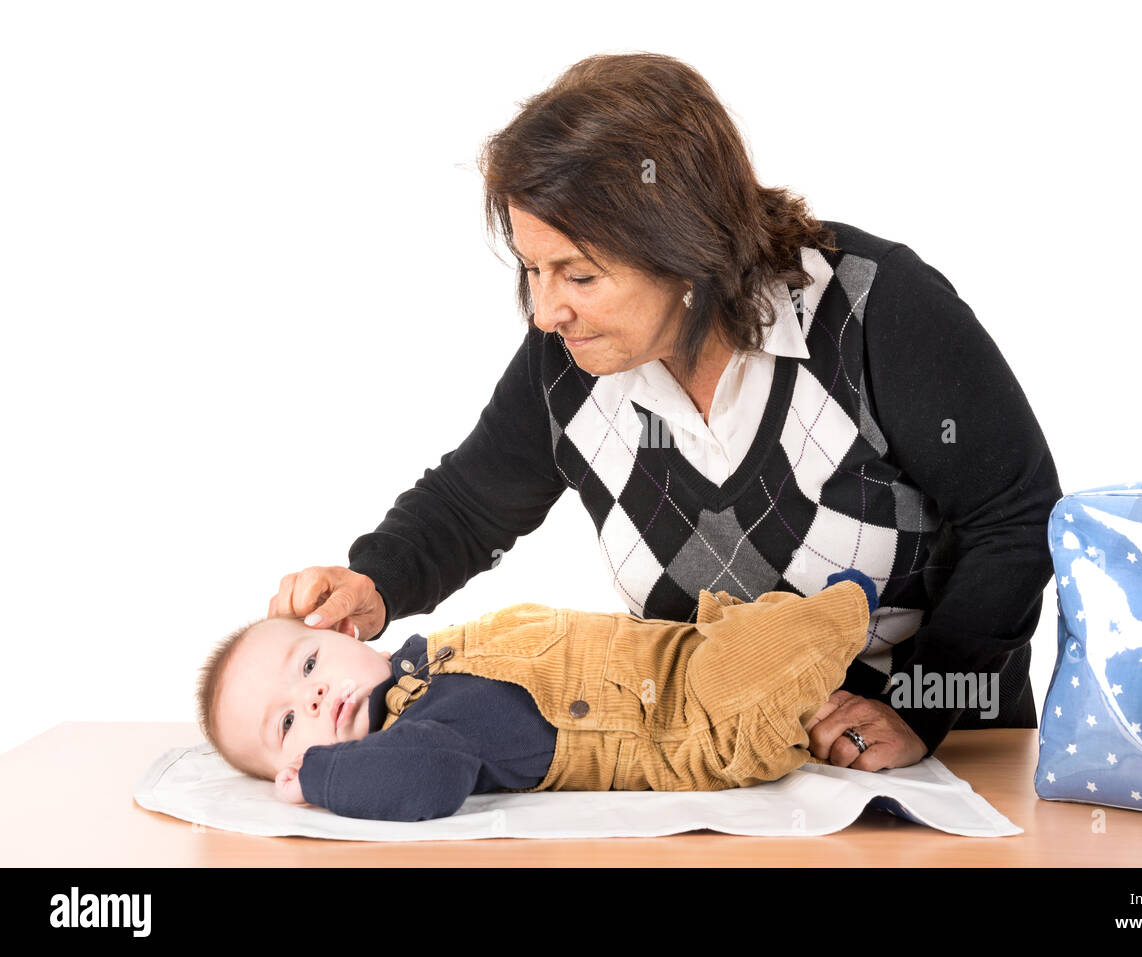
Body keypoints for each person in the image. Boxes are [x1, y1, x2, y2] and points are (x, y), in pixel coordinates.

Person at [267, 52, 1062, 772]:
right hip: (726, 775)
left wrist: (920, 709)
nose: (546, 311)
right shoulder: (572, 363)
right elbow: (471, 503)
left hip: (942, 766)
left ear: (683, 246)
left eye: (577, 274)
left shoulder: (873, 309)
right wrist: (373, 581)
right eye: (531, 269)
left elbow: (1016, 517)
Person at [198, 573, 878, 822]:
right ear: (285, 767)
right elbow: (427, 785)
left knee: (749, 624)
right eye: (287, 722)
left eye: (308, 661)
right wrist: (316, 779)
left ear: (349, 632)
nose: (314, 694)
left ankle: (815, 661)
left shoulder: (424, 662)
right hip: (690, 724)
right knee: (781, 645)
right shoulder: (416, 737)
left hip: (679, 653)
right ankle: (851, 606)